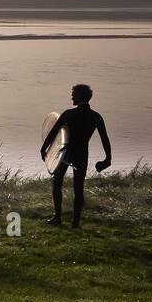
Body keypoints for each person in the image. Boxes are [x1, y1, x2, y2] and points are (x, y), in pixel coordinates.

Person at [40, 83, 111, 228]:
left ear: (79, 97)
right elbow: (105, 139)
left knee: (57, 184)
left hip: (65, 154)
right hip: (82, 155)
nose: (71, 96)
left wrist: (44, 149)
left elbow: (53, 133)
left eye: (73, 94)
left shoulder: (68, 114)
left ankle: (58, 218)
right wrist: (107, 158)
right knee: (78, 188)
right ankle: (75, 223)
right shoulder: (96, 117)